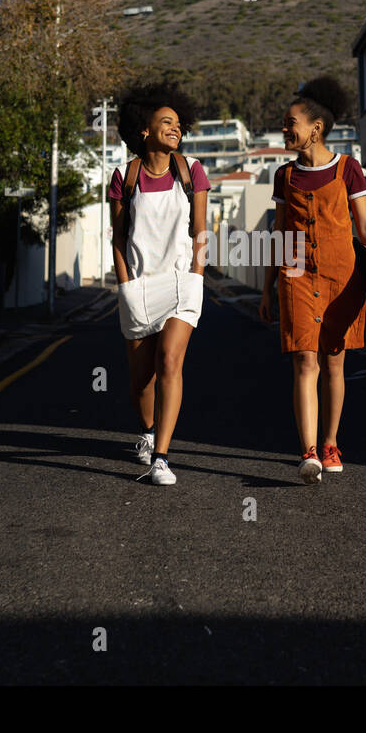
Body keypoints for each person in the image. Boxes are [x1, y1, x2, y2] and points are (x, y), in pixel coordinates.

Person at [260, 76, 366, 484]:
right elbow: (279, 234)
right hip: (296, 276)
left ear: (315, 128)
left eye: (290, 123)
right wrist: (267, 288)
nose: (284, 129)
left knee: (333, 361)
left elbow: (365, 227)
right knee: (304, 359)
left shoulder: (348, 168)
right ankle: (309, 451)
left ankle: (330, 443)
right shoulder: (284, 175)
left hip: (342, 277)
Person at [109, 83, 210, 485]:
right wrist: (125, 286)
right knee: (141, 381)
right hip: (139, 285)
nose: (176, 128)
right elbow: (118, 238)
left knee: (169, 361)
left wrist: (197, 275)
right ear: (144, 129)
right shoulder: (125, 176)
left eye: (179, 123)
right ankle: (148, 431)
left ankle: (162, 458)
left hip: (182, 282)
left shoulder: (191, 170)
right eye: (166, 122)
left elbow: (200, 230)